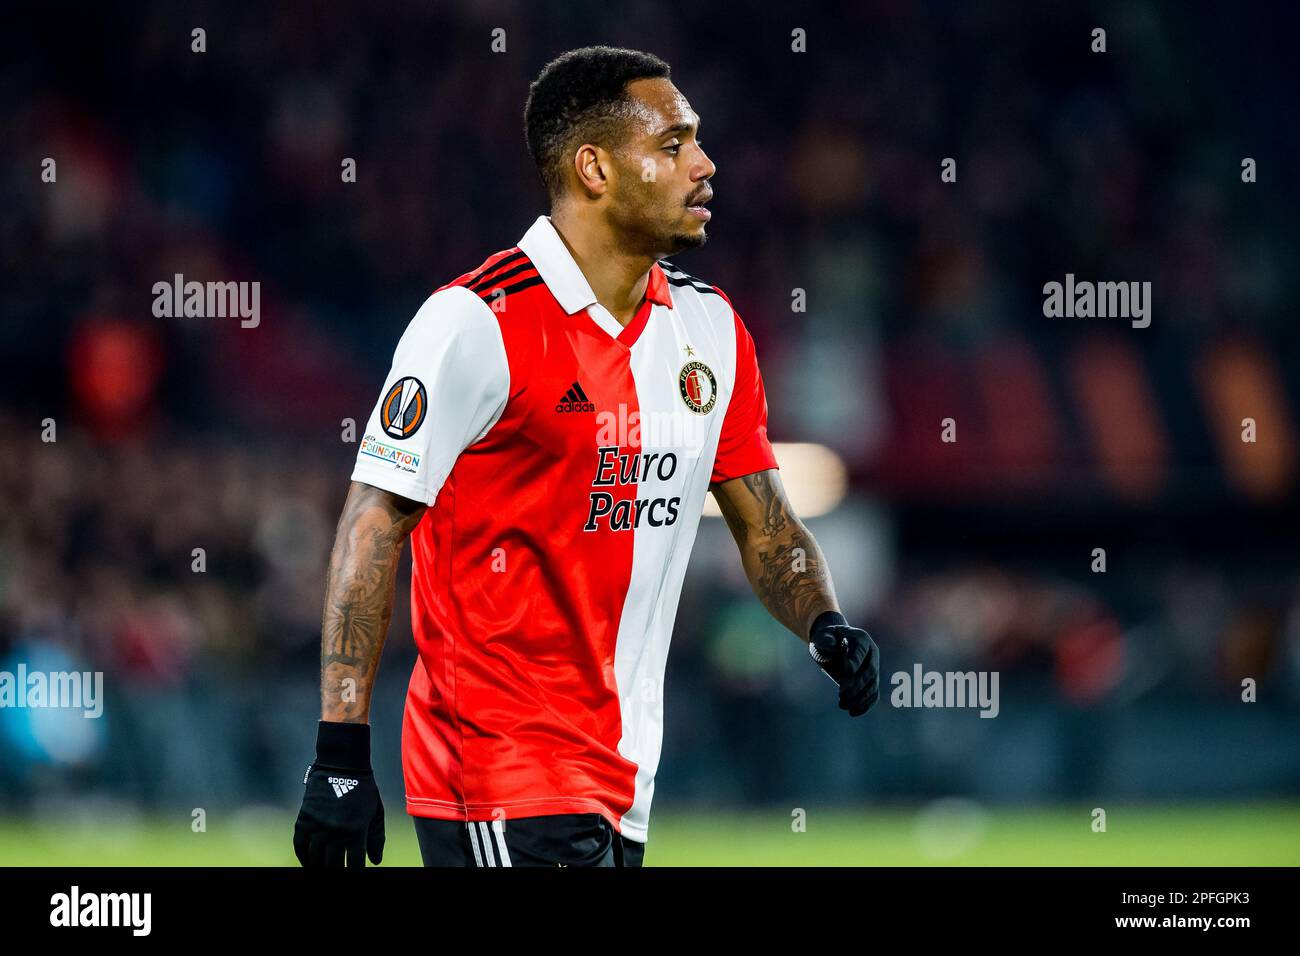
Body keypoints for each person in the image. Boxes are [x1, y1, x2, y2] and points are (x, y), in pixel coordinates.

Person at [293, 45, 880, 869]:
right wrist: (340, 754)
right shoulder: (475, 323)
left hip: (625, 778)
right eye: (673, 145)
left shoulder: (711, 331)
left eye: (698, 141)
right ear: (595, 167)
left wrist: (823, 624)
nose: (706, 166)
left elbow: (767, 525)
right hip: (497, 771)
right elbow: (373, 522)